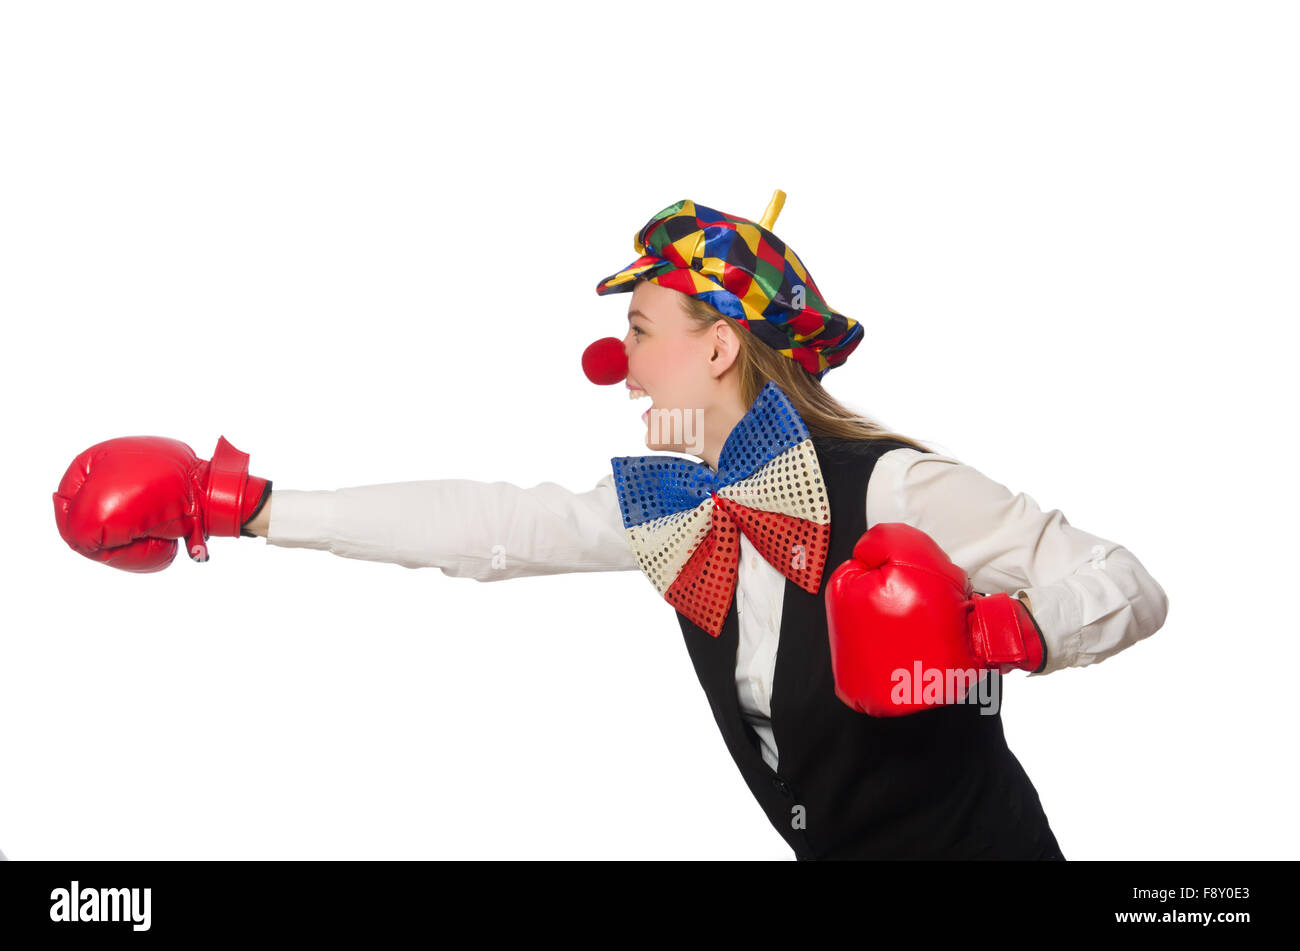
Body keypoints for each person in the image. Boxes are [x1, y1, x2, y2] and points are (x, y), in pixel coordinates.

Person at [52, 192, 1169, 860]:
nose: (619, 364)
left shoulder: (893, 488)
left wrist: (1004, 633)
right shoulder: (674, 515)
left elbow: (1126, 581)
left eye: (640, 330)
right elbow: (493, 527)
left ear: (719, 347)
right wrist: (251, 508)